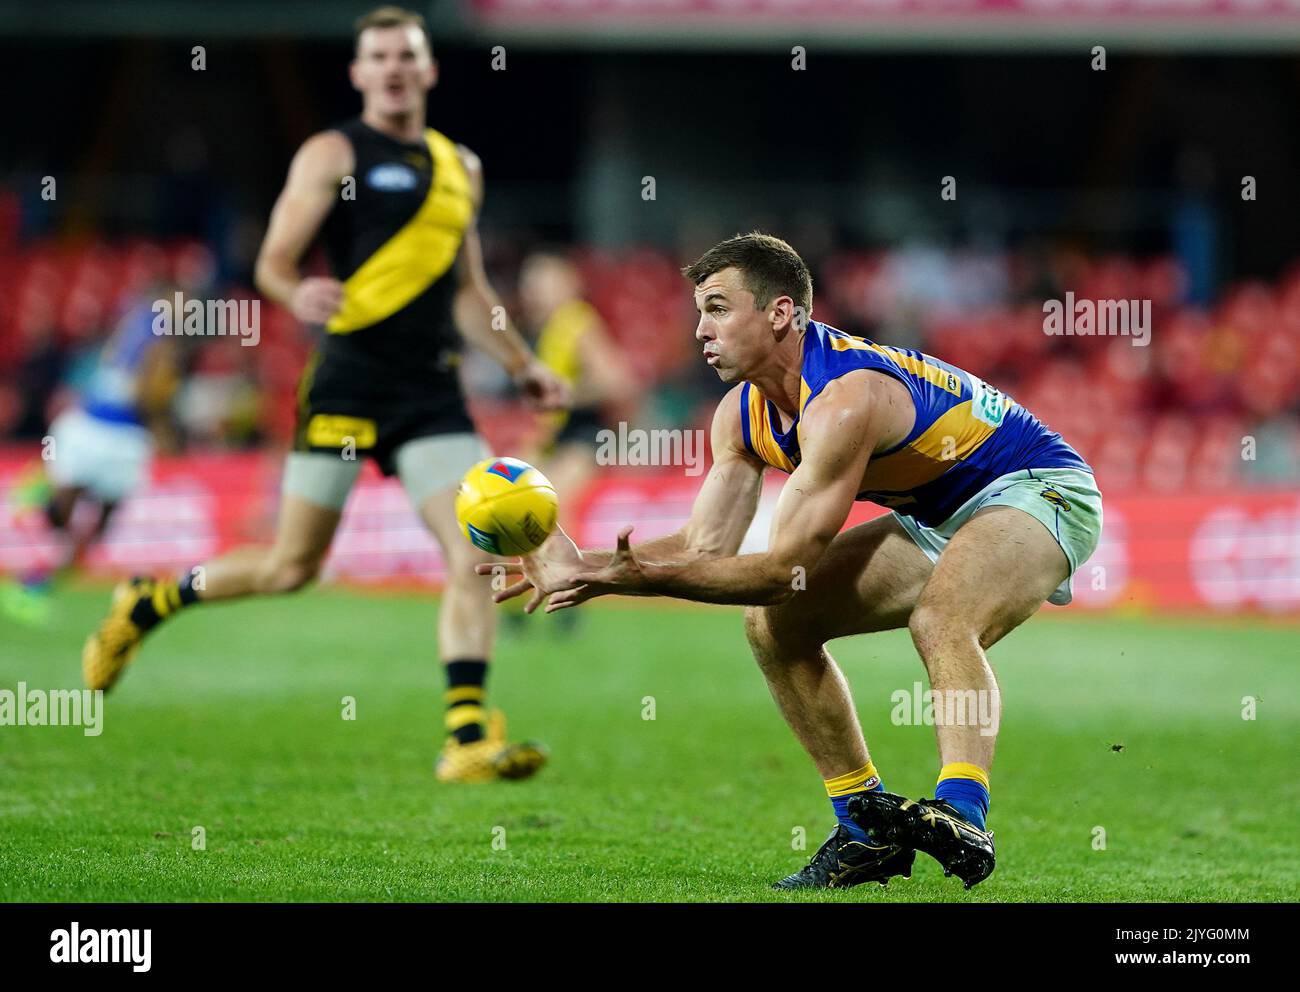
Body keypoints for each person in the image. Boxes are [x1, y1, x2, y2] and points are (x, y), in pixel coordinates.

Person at [482, 232, 1102, 887]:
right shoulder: (740, 415)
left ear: (779, 313)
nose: (700, 329)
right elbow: (704, 548)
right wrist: (591, 564)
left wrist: (630, 577)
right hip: (939, 513)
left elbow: (782, 571)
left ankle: (963, 809)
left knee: (941, 619)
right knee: (775, 627)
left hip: (1039, 487)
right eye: (699, 310)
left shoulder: (845, 398)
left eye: (719, 308)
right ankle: (866, 830)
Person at [82, 5, 567, 785]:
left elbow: (471, 290)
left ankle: (466, 736)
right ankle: (147, 602)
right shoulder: (333, 151)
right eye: (379, 56)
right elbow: (274, 258)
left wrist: (522, 363)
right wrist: (293, 290)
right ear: (359, 72)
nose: (395, 68)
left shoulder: (459, 168)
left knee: (473, 555)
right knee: (289, 568)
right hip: (347, 380)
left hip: (430, 393)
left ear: (429, 69)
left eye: (408, 54)